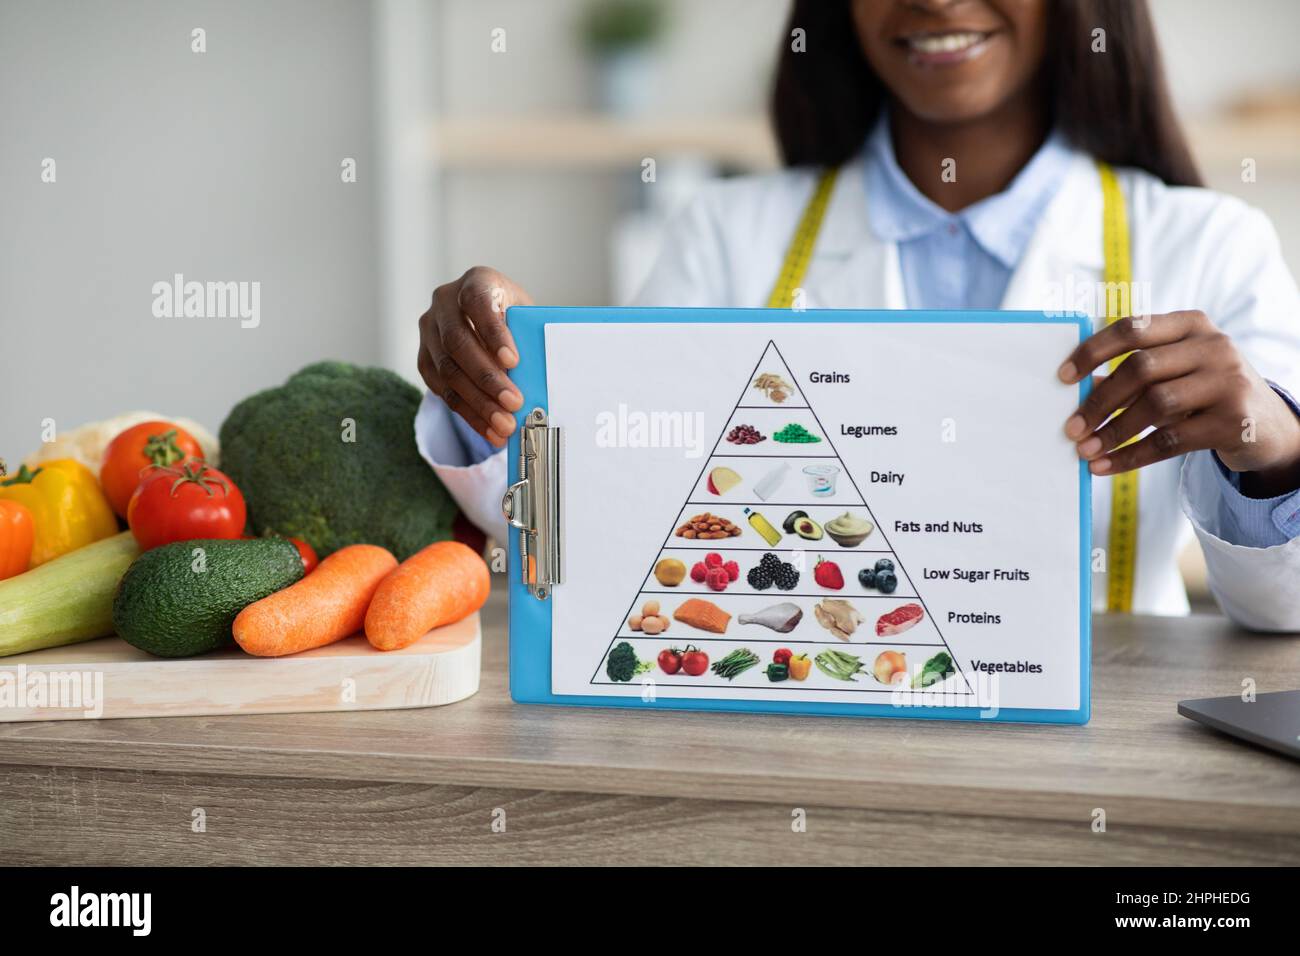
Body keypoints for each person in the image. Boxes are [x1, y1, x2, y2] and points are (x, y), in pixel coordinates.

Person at [414, 0, 1300, 629]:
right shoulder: (727, 234)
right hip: (802, 751)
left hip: (1104, 759)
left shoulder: (1210, 243)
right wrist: (499, 384)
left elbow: (1285, 609)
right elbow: (595, 524)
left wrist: (1270, 449)